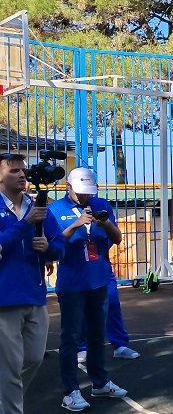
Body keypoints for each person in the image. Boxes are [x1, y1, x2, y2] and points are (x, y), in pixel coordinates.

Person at [51, 167, 129, 411]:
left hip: (99, 280)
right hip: (72, 284)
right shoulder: (55, 210)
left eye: (88, 192)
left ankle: (100, 382)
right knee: (71, 338)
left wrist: (104, 222)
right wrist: (76, 225)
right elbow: (52, 244)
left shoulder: (100, 204)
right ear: (68, 187)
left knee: (97, 335)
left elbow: (117, 238)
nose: (85, 196)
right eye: (80, 192)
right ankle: (71, 391)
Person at [0, 153, 65, 414]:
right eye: (14, 170)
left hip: (35, 297)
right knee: (10, 367)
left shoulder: (37, 206)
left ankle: (5, 400)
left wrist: (48, 248)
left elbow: (59, 245)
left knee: (34, 358)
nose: (22, 175)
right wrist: (25, 224)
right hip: (4, 300)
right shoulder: (27, 213)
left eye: (23, 170)